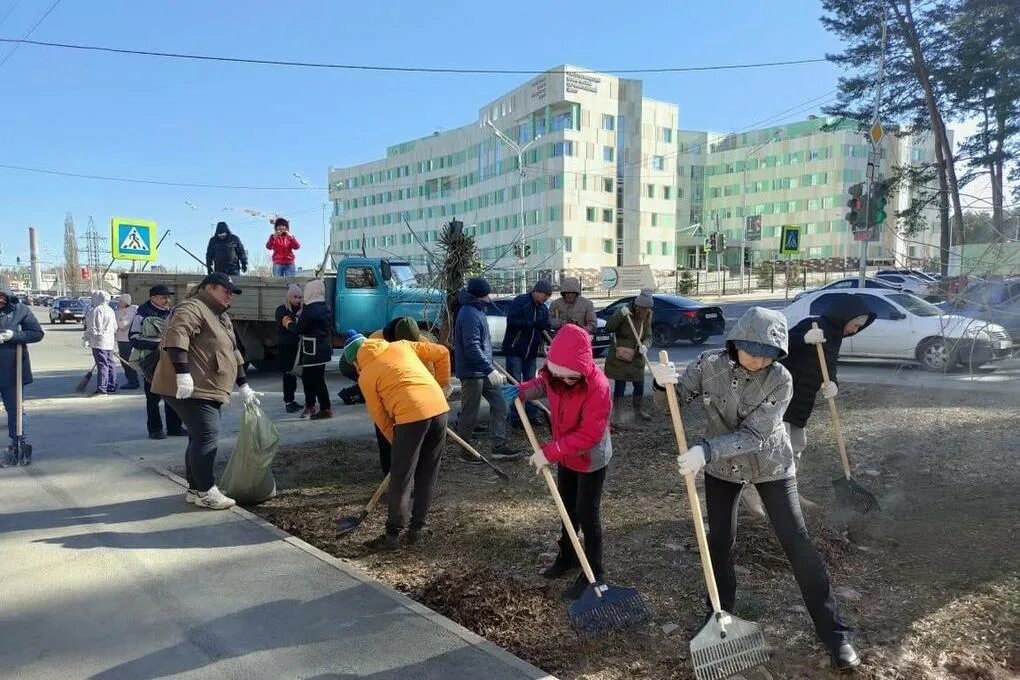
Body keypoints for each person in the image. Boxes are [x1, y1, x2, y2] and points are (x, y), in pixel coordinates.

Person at [651, 307, 860, 671]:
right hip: (721, 468)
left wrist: (705, 449)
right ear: (736, 344)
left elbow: (754, 435)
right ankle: (720, 617)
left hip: (770, 465)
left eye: (769, 353)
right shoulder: (708, 364)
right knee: (719, 541)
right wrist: (661, 383)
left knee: (796, 541)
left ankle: (835, 634)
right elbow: (673, 402)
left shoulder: (781, 379)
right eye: (753, 350)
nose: (760, 359)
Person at [503, 324, 613, 601]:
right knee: (567, 509)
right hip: (566, 455)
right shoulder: (556, 375)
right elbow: (543, 384)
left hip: (590, 459)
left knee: (587, 514)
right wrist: (523, 390)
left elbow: (590, 434)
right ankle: (568, 555)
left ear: (582, 370)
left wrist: (550, 452)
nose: (563, 382)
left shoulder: (597, 386)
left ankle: (594, 573)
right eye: (559, 376)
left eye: (570, 378)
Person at [152, 273, 262, 510]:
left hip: (207, 387)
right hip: (192, 387)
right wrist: (182, 373)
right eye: (226, 290)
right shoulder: (193, 308)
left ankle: (195, 488)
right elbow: (176, 336)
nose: (230, 296)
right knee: (206, 435)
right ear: (209, 288)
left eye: (232, 292)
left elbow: (233, 352)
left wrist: (243, 385)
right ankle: (206, 491)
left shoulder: (220, 316)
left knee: (198, 436)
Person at [345, 332, 453, 551]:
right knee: (427, 471)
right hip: (440, 409)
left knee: (401, 477)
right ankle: (417, 529)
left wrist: (398, 443)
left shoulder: (366, 375)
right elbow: (442, 352)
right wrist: (442, 387)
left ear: (356, 360)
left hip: (410, 417)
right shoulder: (402, 345)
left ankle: (392, 536)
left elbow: (380, 417)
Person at [452, 277, 519, 461]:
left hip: (484, 370)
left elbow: (481, 344)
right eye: (487, 295)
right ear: (479, 296)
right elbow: (472, 347)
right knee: (470, 413)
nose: (490, 298)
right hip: (473, 373)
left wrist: (490, 368)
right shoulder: (468, 314)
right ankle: (465, 452)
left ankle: (498, 446)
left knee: (501, 404)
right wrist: (490, 369)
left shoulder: (477, 310)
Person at [363, 317, 439, 476]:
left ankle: (415, 474)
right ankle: (390, 474)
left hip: (412, 399)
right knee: (385, 438)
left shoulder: (423, 343)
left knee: (415, 439)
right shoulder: (375, 341)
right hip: (385, 396)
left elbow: (430, 372)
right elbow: (368, 376)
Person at [130, 285, 185, 440]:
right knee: (153, 398)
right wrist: (157, 344)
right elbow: (134, 339)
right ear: (153, 297)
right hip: (151, 361)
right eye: (163, 297)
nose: (167, 300)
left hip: (170, 359)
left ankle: (174, 427)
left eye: (168, 297)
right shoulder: (142, 313)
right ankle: (155, 429)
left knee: (172, 394)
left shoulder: (171, 312)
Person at [0, 288, 44, 463]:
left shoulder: (20, 310)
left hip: (12, 370)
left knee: (16, 410)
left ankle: (19, 442)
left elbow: (37, 333)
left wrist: (14, 335)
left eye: (2, 298)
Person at [504, 279, 552, 427]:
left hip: (531, 352)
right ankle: (517, 418)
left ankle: (532, 415)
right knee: (515, 384)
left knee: (532, 384)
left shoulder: (543, 308)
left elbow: (544, 327)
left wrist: (546, 328)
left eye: (548, 296)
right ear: (537, 292)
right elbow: (511, 321)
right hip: (515, 349)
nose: (546, 298)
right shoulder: (521, 301)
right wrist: (531, 324)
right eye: (545, 295)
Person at [603, 288, 654, 426]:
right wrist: (620, 314)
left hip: (637, 354)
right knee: (620, 383)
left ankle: (637, 411)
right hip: (621, 354)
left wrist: (645, 345)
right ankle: (617, 414)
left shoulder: (648, 315)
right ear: (637, 306)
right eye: (642, 308)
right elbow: (609, 327)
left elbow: (649, 335)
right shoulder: (624, 311)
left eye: (647, 309)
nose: (644, 312)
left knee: (639, 383)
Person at [283, 279, 332, 419]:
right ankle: (313, 406)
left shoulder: (310, 309)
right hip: (323, 348)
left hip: (312, 350)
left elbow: (300, 329)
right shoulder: (325, 307)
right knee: (317, 378)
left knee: (312, 380)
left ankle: (324, 408)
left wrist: (289, 323)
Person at [83, 290, 118, 395]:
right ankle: (111, 385)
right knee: (110, 363)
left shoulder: (97, 310)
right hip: (109, 341)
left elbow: (92, 328)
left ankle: (102, 388)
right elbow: (115, 327)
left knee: (102, 365)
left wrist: (86, 339)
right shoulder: (110, 310)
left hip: (99, 342)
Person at [275, 284, 303, 413]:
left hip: (299, 346)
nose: (297, 300)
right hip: (286, 346)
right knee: (288, 374)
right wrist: (296, 322)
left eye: (300, 297)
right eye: (295, 297)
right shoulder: (282, 309)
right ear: (289, 297)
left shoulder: (303, 309)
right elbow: (288, 324)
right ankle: (289, 401)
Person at [115, 293, 140, 389]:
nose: (118, 303)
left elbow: (123, 325)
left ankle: (133, 382)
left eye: (120, 301)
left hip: (126, 340)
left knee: (127, 361)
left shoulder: (130, 312)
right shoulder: (121, 311)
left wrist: (115, 321)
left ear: (125, 302)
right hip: (121, 339)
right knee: (124, 361)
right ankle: (131, 380)